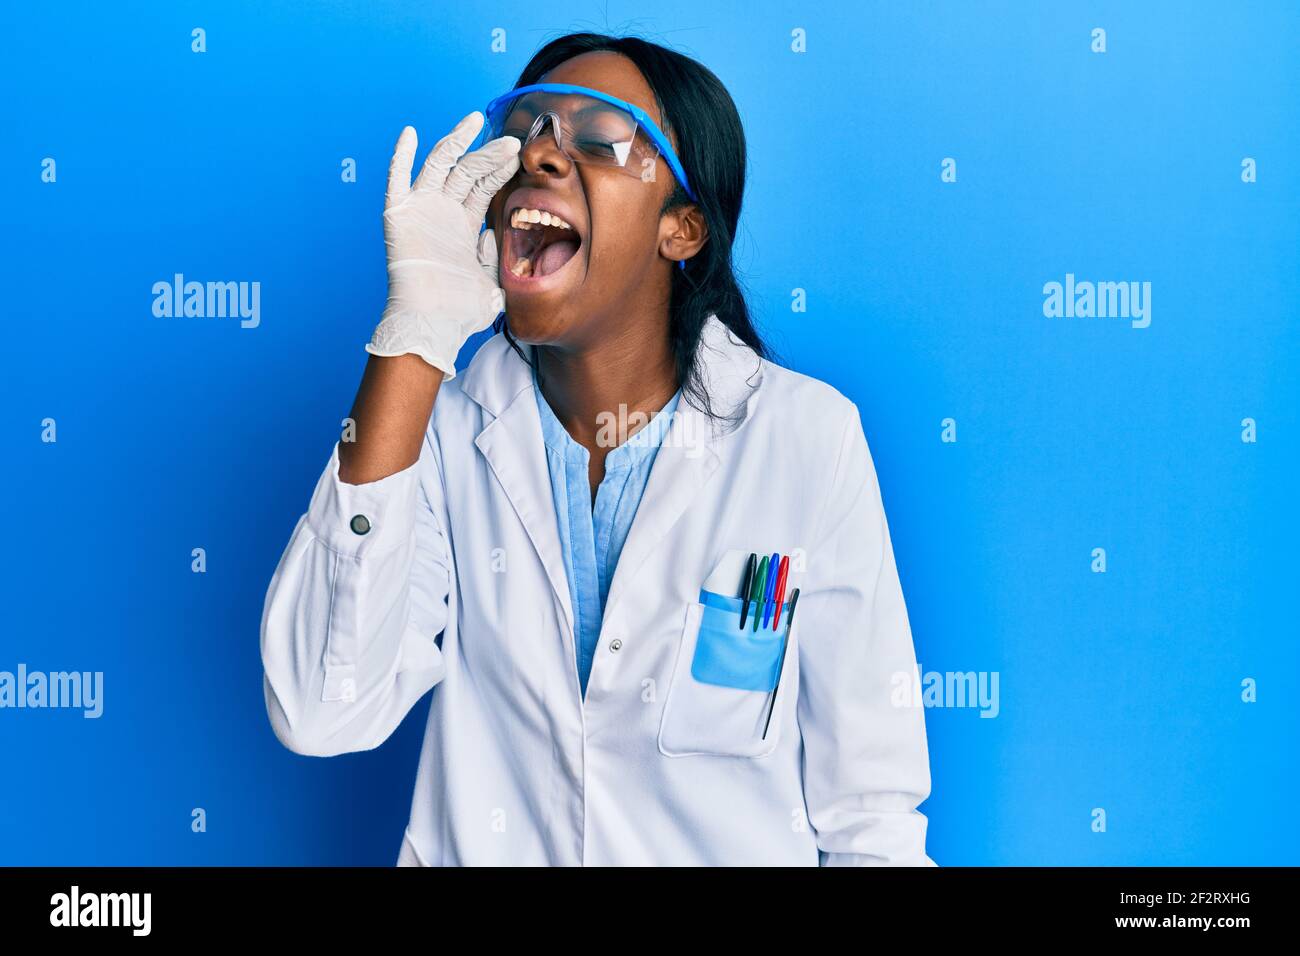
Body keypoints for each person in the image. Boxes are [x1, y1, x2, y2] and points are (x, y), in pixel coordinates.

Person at [260, 32, 936, 866]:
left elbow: (871, 817)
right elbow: (322, 711)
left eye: (598, 137)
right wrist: (416, 339)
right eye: (529, 129)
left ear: (681, 228)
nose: (541, 152)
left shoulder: (806, 439)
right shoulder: (436, 437)